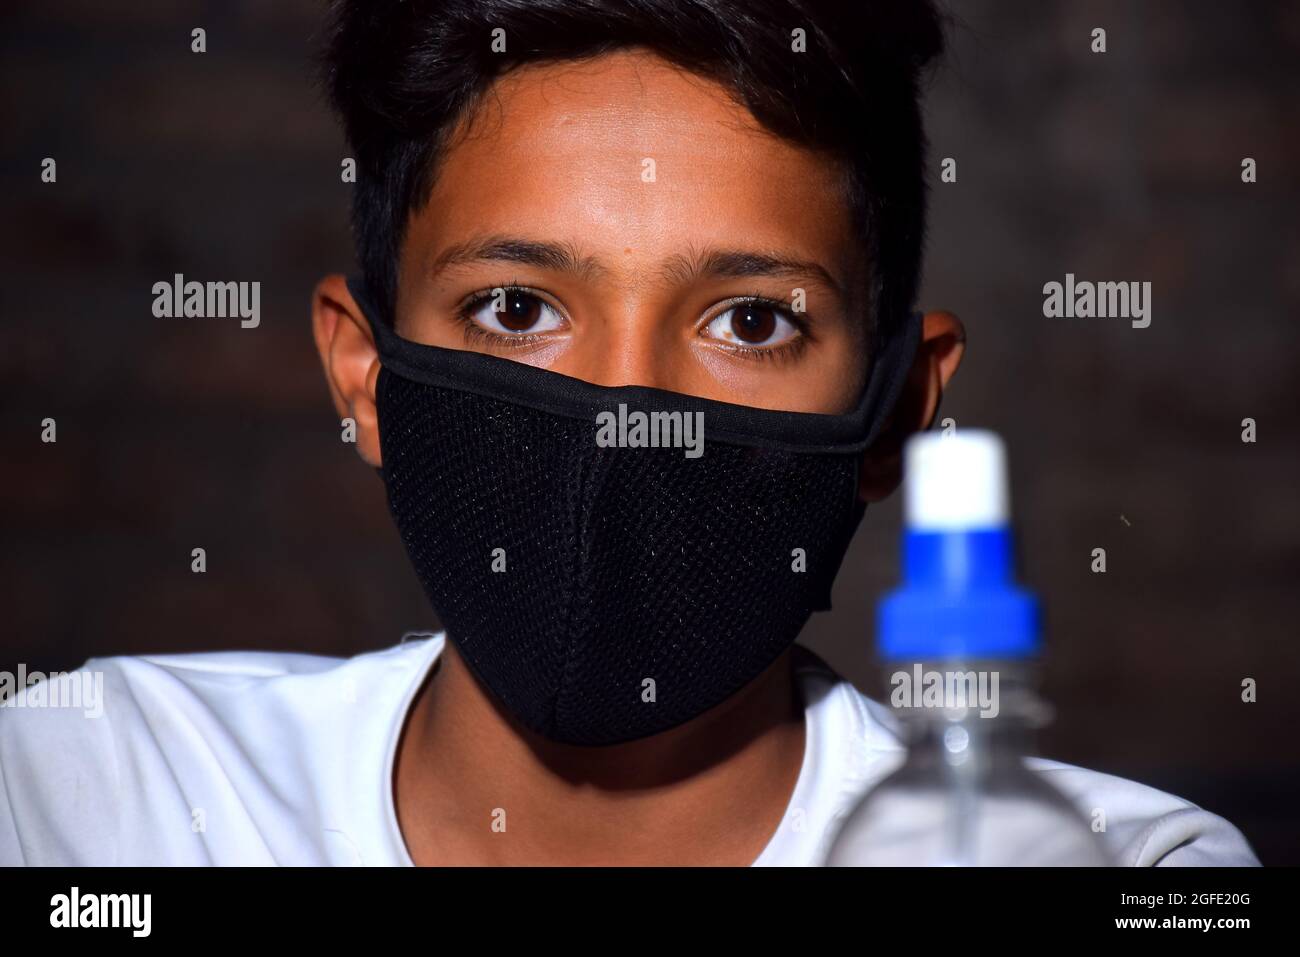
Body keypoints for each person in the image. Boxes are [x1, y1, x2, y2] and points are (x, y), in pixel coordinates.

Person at [0, 0, 1258, 866]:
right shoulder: (96, 794)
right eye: (517, 308)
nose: (625, 417)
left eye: (750, 321)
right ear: (366, 376)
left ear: (899, 412)